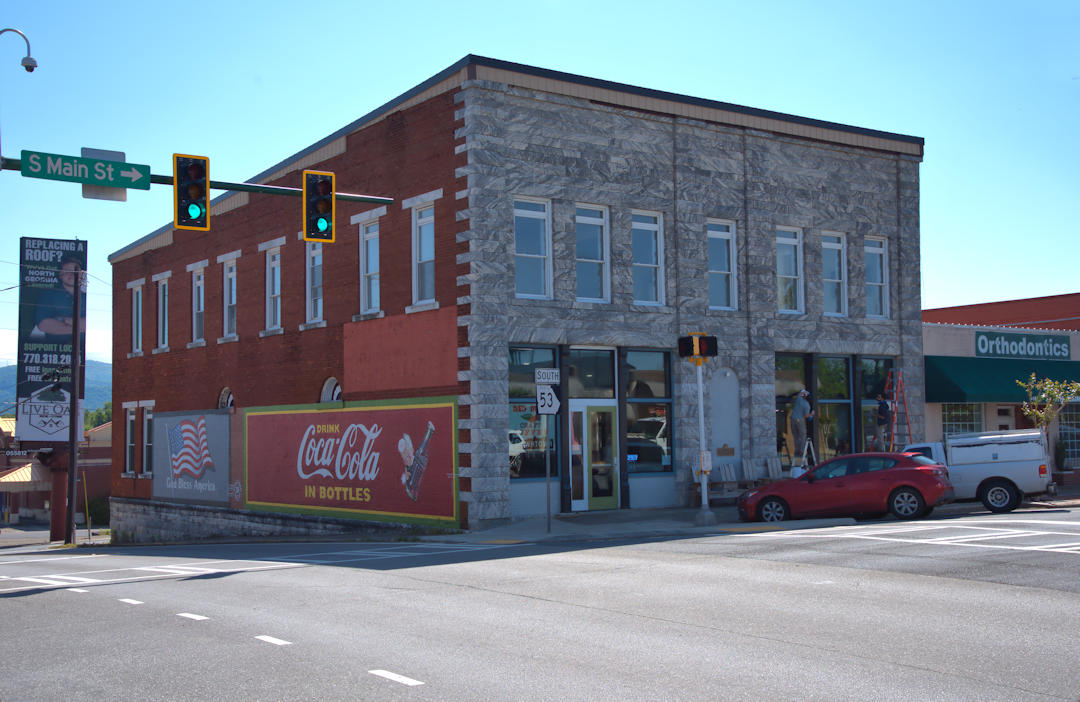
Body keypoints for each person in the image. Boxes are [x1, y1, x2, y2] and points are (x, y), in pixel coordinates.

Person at [31, 252, 83, 341]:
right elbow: (44, 325)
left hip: (81, 349)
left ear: (81, 274)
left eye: (75, 271)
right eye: (67, 271)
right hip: (51, 349)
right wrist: (81, 327)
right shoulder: (48, 295)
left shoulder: (88, 298)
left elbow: (93, 323)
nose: (71, 274)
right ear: (60, 274)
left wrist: (62, 320)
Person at [790, 389, 813, 470]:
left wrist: (803, 391)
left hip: (792, 420)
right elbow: (807, 416)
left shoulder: (799, 399)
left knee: (796, 436)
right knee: (802, 435)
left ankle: (797, 450)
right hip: (799, 420)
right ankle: (801, 451)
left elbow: (800, 393)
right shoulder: (807, 405)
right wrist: (812, 414)